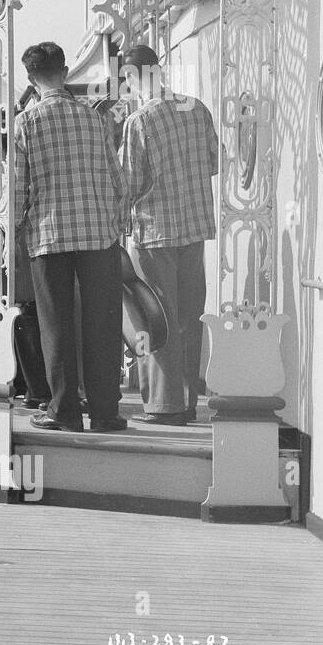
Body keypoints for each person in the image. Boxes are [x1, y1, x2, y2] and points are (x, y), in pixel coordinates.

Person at [13, 41, 127, 434]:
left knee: (56, 325)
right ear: (65, 72)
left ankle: (63, 410)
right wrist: (115, 221)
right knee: (103, 323)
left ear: (31, 79)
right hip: (98, 232)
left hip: (48, 234)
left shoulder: (26, 122)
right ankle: (106, 411)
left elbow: (17, 189)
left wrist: (17, 228)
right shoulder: (93, 118)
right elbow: (116, 178)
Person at [120, 44, 219, 426]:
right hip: (194, 228)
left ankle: (164, 405)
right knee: (189, 318)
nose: (127, 86)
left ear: (136, 75)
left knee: (156, 319)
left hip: (154, 231)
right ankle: (189, 400)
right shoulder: (196, 108)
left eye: (127, 78)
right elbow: (213, 160)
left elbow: (129, 183)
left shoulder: (140, 121)